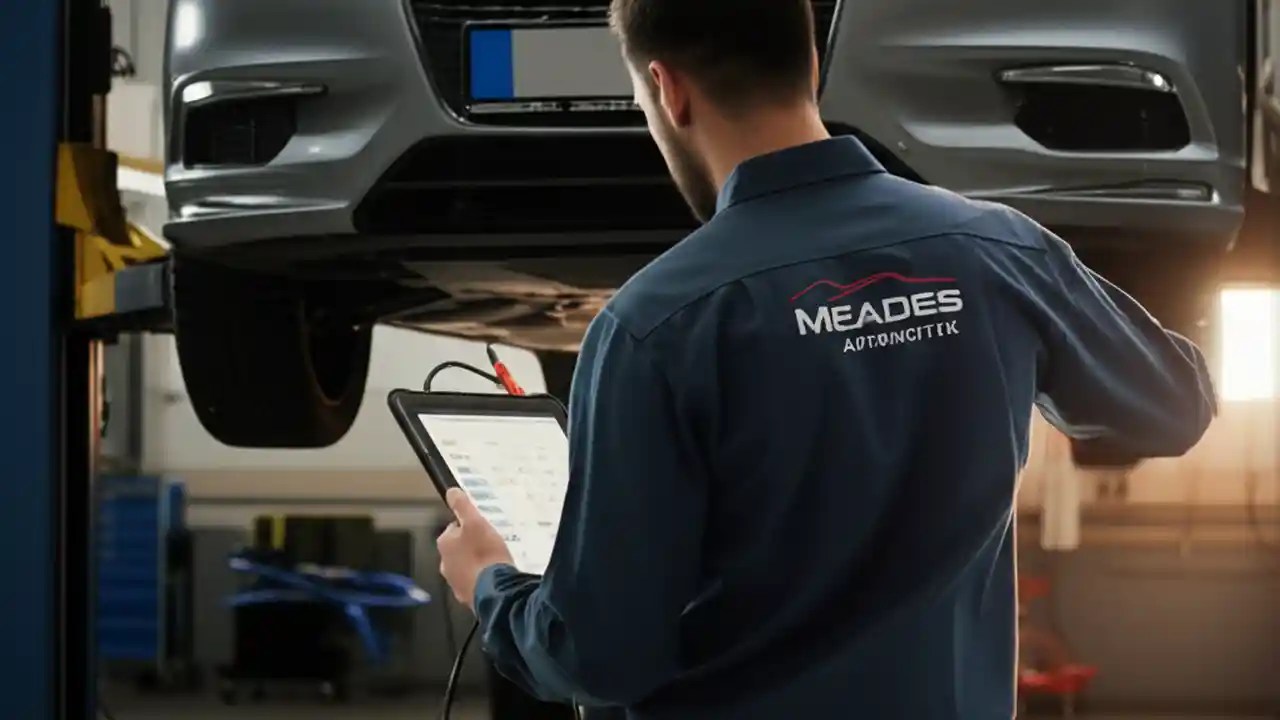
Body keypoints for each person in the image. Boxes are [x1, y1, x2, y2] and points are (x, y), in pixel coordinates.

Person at [435, 0, 1218, 717]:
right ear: (812, 63)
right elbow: (1173, 404)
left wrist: (492, 584)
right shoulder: (997, 252)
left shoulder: (655, 324)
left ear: (667, 91)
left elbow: (601, 657)